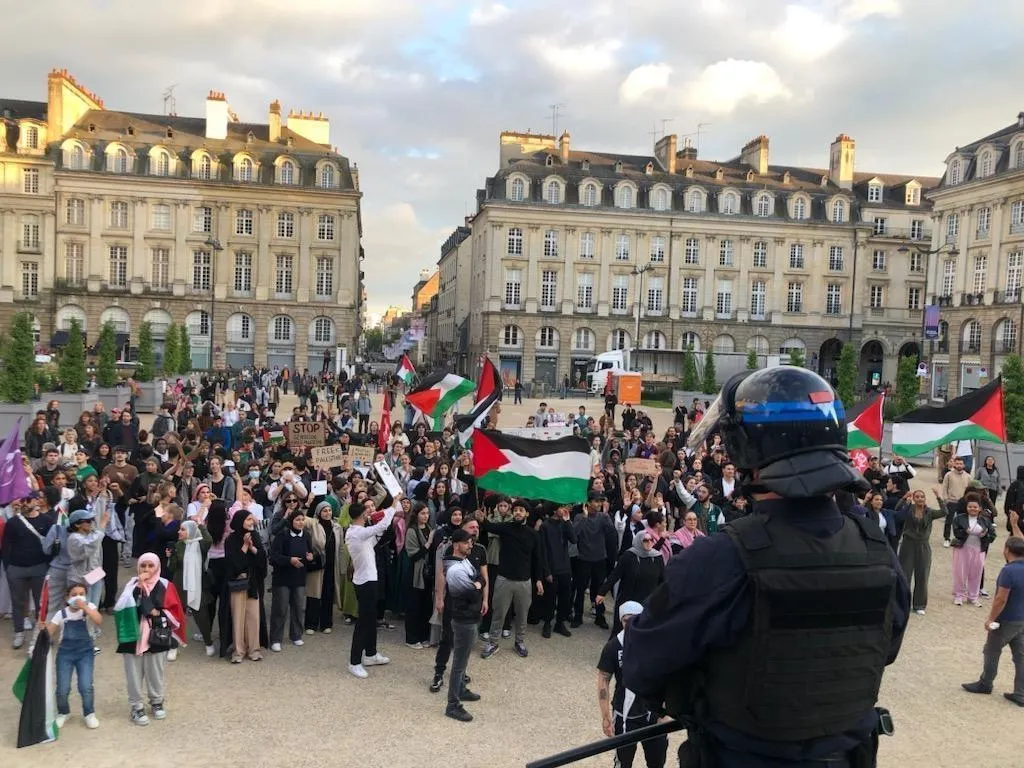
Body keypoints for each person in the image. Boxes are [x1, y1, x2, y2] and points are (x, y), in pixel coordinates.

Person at [623, 366, 910, 767]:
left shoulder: (721, 558)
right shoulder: (878, 551)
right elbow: (883, 648)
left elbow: (643, 664)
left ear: (747, 453)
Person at [114, 553, 186, 726]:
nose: (146, 569)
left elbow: (175, 612)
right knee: (133, 673)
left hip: (156, 636)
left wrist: (157, 612)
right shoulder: (131, 586)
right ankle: (136, 706)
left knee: (155, 671)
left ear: (157, 567)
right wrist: (137, 589)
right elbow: (120, 608)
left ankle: (157, 701)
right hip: (132, 637)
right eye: (143, 565)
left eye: (150, 565)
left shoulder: (166, 585)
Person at [597, 601, 668, 768]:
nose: (631, 624)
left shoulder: (655, 644)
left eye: (636, 619)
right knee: (623, 763)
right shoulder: (614, 646)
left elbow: (666, 676)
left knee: (657, 761)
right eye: (626, 620)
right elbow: (603, 679)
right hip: (624, 715)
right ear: (621, 621)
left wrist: (665, 711)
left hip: (653, 713)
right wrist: (606, 717)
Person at [962, 515, 1024, 706]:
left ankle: (985, 683)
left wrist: (990, 619)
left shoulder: (1008, 571)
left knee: (991, 651)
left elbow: (1001, 599)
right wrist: (1014, 525)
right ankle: (1021, 693)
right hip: (1022, 620)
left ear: (1006, 550)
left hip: (1006, 620)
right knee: (1021, 657)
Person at [346, 495, 402, 678]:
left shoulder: (361, 533)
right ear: (362, 515)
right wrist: (393, 505)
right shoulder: (356, 532)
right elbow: (380, 526)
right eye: (366, 512)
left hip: (370, 579)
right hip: (365, 582)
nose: (369, 513)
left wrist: (384, 520)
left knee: (370, 620)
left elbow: (375, 538)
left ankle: (370, 654)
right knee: (364, 622)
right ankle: (354, 662)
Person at [42, 582, 103, 730]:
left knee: (85, 685)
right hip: (65, 654)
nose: (78, 597)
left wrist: (85, 608)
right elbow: (49, 632)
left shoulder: (90, 608)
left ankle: (89, 713)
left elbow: (99, 620)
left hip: (85, 653)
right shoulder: (61, 614)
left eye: (81, 594)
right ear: (67, 597)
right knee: (62, 687)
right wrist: (43, 628)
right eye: (74, 594)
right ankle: (63, 712)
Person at [441, 528, 485, 722]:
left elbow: (480, 578)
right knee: (459, 664)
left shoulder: (463, 561)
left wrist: (478, 583)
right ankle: (452, 704)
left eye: (471, 542)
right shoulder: (455, 570)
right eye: (466, 543)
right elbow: (472, 593)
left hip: (470, 616)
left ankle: (460, 689)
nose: (470, 546)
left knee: (463, 660)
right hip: (463, 619)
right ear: (456, 544)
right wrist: (478, 585)